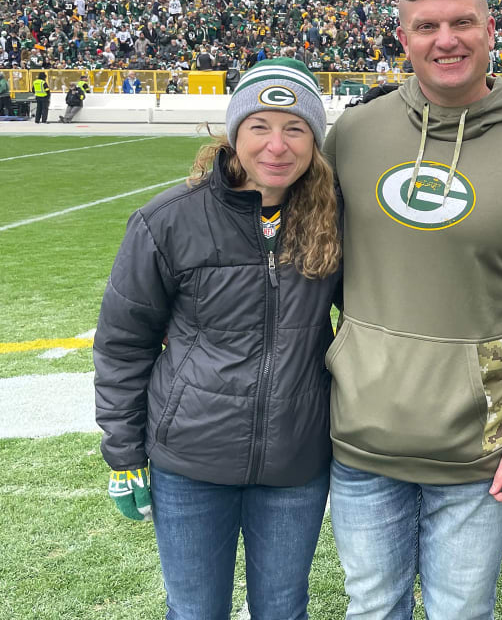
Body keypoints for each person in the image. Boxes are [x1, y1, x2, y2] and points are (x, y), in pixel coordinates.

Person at [319, 0, 502, 620]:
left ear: (491, 31)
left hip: (479, 451)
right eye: (427, 27)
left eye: (462, 22)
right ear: (403, 39)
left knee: (461, 614)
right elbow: (306, 260)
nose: (446, 39)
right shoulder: (355, 135)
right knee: (372, 609)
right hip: (363, 437)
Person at [94, 57, 341, 620]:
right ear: (234, 134)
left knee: (282, 609)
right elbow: (123, 345)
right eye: (259, 126)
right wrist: (123, 452)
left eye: (295, 127)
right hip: (189, 460)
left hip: (296, 461)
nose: (277, 145)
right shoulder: (168, 221)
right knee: (195, 611)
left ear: (314, 141)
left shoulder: (335, 218)